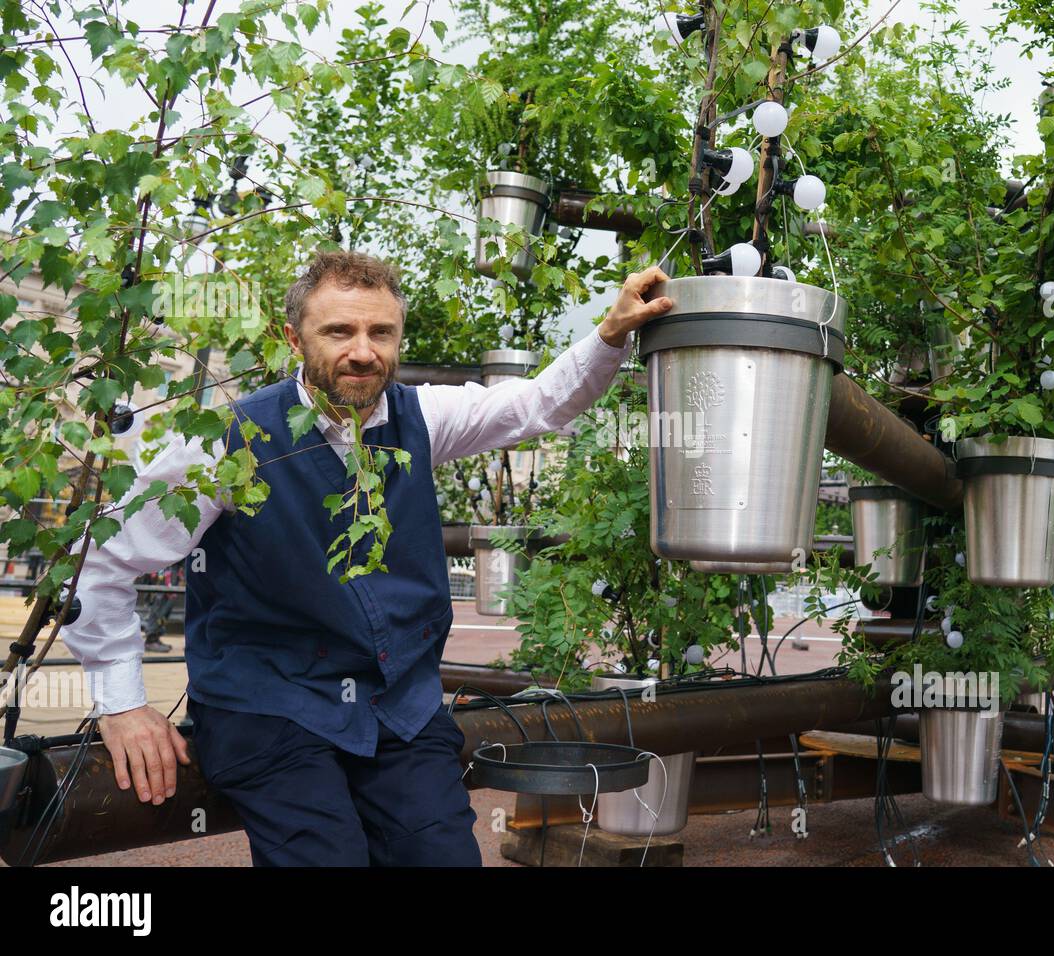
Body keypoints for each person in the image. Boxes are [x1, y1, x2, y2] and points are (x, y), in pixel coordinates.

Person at [61, 251, 673, 866]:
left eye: (380, 332)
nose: (363, 351)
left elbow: (537, 404)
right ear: (292, 337)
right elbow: (100, 561)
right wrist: (123, 704)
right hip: (270, 706)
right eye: (339, 332)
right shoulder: (224, 442)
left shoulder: (421, 418)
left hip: (396, 708)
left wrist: (610, 333)